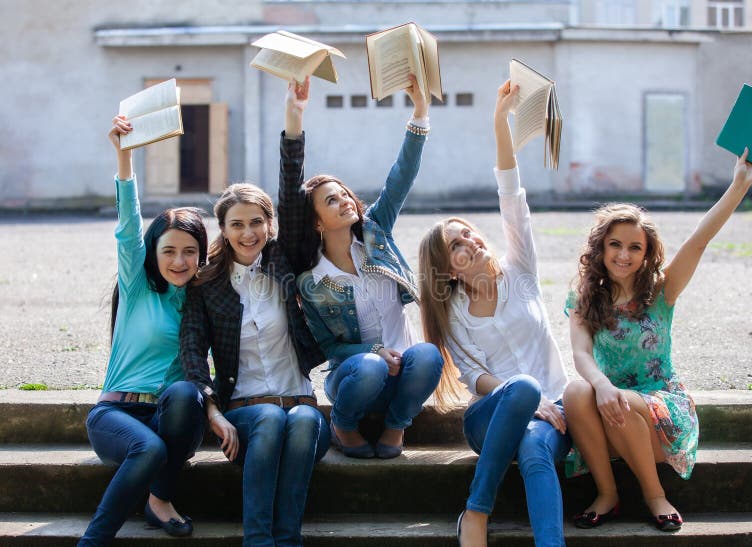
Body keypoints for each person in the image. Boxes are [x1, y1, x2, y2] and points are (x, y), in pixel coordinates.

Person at [563, 149, 752, 532]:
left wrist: (739, 184)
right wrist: (602, 385)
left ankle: (654, 494)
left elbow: (700, 240)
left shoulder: (662, 290)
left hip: (661, 415)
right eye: (615, 245)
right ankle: (607, 494)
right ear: (601, 249)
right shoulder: (584, 297)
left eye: (634, 247)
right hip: (611, 408)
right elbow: (580, 353)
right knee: (576, 391)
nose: (624, 255)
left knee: (617, 398)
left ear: (646, 253)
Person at [417, 80, 571, 547]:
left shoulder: (520, 269)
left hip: (556, 412)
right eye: (456, 249)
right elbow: (476, 378)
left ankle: (509, 527)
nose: (471, 244)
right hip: (490, 416)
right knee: (521, 388)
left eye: (468, 235)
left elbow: (512, 194)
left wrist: (499, 122)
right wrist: (526, 398)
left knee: (536, 452)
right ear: (447, 273)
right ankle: (477, 510)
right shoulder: (454, 313)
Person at [180, 79, 330, 547]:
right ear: (223, 229)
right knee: (268, 420)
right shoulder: (207, 286)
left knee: (304, 420)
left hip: (299, 406)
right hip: (245, 417)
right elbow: (191, 352)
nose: (248, 233)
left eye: (257, 222)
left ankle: (288, 541)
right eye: (237, 224)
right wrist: (211, 411)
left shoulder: (283, 262)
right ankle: (259, 541)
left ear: (270, 225)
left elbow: (290, 187)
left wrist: (294, 115)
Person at [286, 75, 444, 459]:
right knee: (371, 365)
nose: (344, 201)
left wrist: (420, 112)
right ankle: (342, 424)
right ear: (317, 222)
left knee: (428, 356)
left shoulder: (375, 232)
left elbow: (400, 178)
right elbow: (330, 348)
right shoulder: (312, 281)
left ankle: (395, 427)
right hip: (355, 378)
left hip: (402, 374)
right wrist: (373, 349)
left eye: (344, 194)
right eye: (330, 200)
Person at [79, 116, 208, 546]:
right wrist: (124, 156)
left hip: (170, 414)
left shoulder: (203, 301)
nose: (179, 261)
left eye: (189, 252)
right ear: (153, 254)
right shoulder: (137, 287)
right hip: (116, 415)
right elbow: (129, 224)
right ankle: (96, 539)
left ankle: (159, 498)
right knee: (147, 448)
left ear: (200, 256)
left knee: (186, 393)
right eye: (168, 251)